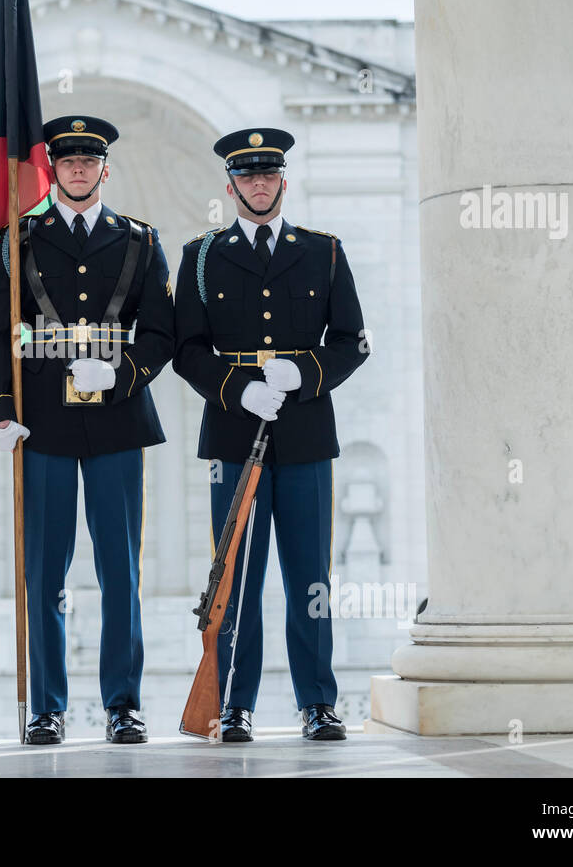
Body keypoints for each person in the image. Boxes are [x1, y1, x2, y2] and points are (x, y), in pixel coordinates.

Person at [0, 115, 175, 744]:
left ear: (104, 171)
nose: (80, 170)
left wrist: (120, 374)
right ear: (54, 170)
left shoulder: (139, 240)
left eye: (90, 161)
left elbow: (162, 332)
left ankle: (123, 704)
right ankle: (47, 706)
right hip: (43, 421)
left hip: (117, 418)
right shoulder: (19, 240)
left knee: (121, 571)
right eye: (69, 161)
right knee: (45, 573)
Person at [173, 127, 369, 741]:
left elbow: (353, 341)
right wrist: (239, 388)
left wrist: (304, 372)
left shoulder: (323, 252)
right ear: (230, 185)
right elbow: (186, 350)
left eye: (268, 174)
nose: (258, 184)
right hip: (234, 435)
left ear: (284, 180)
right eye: (247, 176)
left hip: (305, 435)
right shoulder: (201, 256)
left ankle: (317, 702)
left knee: (310, 577)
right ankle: (234, 703)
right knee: (236, 576)